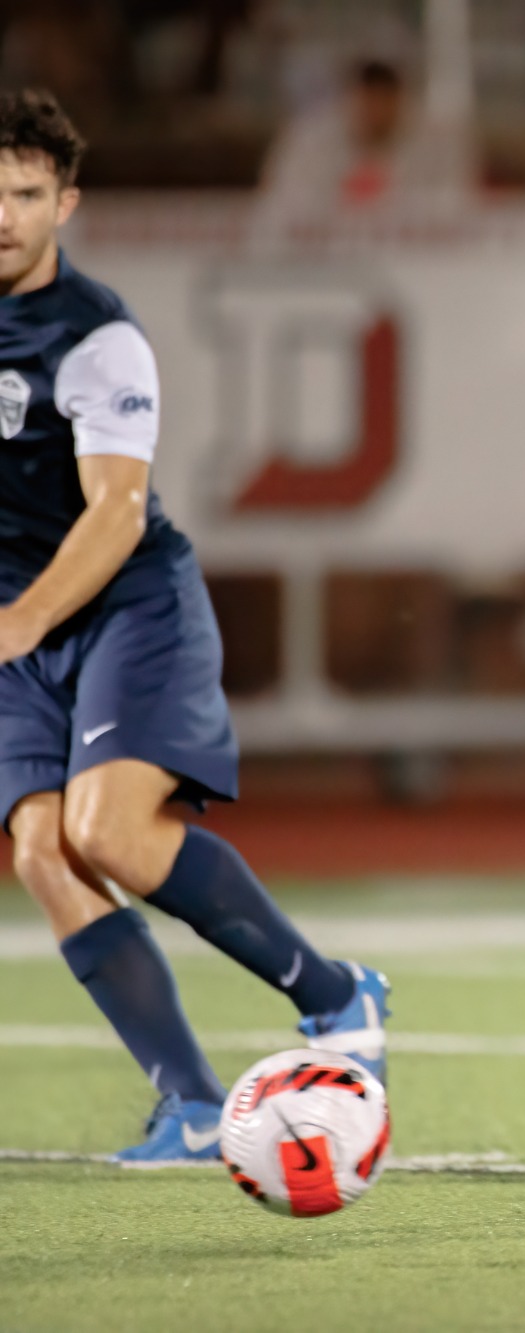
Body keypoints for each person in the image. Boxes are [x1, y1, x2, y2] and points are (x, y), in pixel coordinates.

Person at [0, 89, 389, 1162]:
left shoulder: (96, 337)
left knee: (107, 831)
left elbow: (115, 513)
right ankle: (190, 1102)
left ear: (65, 202)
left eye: (26, 193)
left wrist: (19, 623)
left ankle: (337, 994)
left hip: (120, 601)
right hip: (16, 622)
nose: (4, 215)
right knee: (40, 847)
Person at [254, 55, 477, 233]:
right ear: (353, 96)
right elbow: (281, 199)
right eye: (370, 96)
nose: (377, 109)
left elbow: (458, 204)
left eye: (385, 97)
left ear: (400, 97)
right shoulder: (310, 136)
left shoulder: (439, 140)